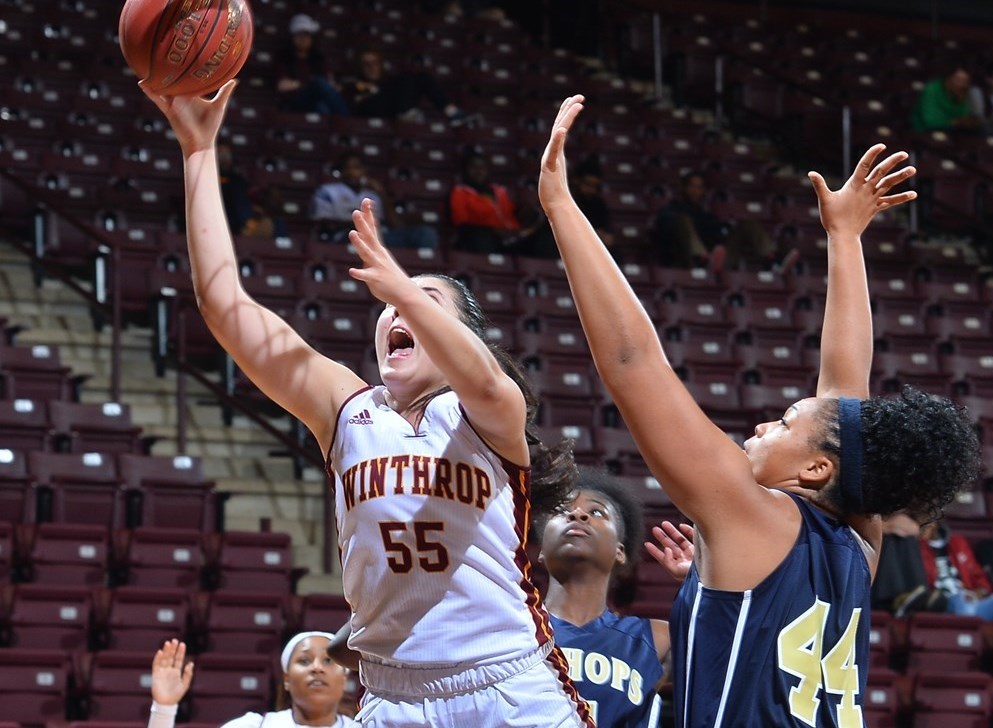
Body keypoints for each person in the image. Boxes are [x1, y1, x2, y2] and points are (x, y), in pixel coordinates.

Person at [139, 79, 590, 728]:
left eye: (423, 303)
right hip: (393, 697)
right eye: (390, 306)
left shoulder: (488, 410)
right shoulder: (348, 409)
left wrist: (403, 289)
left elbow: (485, 380)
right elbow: (225, 309)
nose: (397, 311)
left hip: (509, 685)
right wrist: (197, 152)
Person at [539, 94, 981, 726]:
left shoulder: (752, 514)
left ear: (815, 470)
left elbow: (634, 362)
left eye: (785, 422)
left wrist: (561, 206)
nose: (763, 424)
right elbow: (846, 389)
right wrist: (845, 238)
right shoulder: (860, 542)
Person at [536, 467, 694, 727]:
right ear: (542, 549)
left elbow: (735, 662)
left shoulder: (657, 638)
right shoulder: (510, 627)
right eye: (562, 510)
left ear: (620, 551)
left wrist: (702, 580)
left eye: (596, 512)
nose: (577, 514)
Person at [147, 634, 356, 727]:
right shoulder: (254, 725)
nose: (317, 668)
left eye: (328, 661)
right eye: (304, 660)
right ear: (286, 679)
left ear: (345, 677)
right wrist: (164, 708)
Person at [309, 151, 438, 249]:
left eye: (357, 167)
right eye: (348, 168)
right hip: (346, 237)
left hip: (378, 238)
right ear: (341, 171)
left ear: (364, 170)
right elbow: (323, 224)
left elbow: (396, 226)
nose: (352, 172)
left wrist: (382, 194)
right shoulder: (327, 191)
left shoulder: (373, 195)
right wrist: (360, 225)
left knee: (425, 233)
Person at [340, 48, 470, 124]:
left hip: (398, 108)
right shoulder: (354, 84)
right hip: (377, 114)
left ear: (381, 65)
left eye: (375, 63)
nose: (371, 68)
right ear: (359, 67)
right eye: (366, 64)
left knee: (421, 77)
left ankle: (452, 113)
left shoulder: (390, 81)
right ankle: (407, 114)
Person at [273, 14, 350, 118]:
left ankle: (345, 122)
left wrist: (299, 83)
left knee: (323, 107)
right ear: (293, 37)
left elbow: (330, 82)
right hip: (296, 101)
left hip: (319, 101)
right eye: (299, 35)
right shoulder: (285, 58)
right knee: (318, 83)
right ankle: (347, 117)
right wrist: (310, 84)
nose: (303, 39)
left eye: (306, 36)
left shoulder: (318, 59)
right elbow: (282, 85)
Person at [449, 151, 524, 253]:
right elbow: (461, 222)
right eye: (473, 168)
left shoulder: (501, 191)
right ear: (465, 170)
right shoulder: (460, 192)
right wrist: (493, 230)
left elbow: (511, 214)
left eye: (482, 168)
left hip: (512, 236)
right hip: (483, 238)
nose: (479, 171)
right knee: (479, 236)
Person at [918, 518, 993, 619]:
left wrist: (976, 594)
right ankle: (968, 626)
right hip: (944, 603)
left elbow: (980, 578)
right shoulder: (917, 547)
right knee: (960, 600)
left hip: (971, 601)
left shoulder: (958, 542)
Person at [910, 66, 983, 133]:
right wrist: (954, 122)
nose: (960, 84)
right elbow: (929, 120)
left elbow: (963, 115)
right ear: (949, 78)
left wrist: (967, 121)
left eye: (964, 81)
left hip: (951, 129)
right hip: (925, 130)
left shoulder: (962, 92)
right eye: (957, 79)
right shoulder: (932, 90)